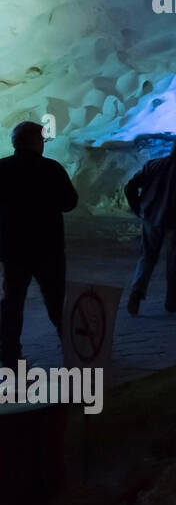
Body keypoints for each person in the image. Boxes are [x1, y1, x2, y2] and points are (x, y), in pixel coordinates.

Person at [0, 122, 78, 370]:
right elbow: (70, 202)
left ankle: (10, 356)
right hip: (48, 248)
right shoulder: (51, 169)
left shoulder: (2, 168)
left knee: (13, 303)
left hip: (13, 249)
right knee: (57, 302)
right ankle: (72, 349)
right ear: (36, 142)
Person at [124, 138, 176, 315]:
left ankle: (136, 293)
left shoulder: (153, 165)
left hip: (151, 219)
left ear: (173, 147)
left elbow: (130, 187)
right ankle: (173, 301)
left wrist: (139, 209)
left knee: (146, 257)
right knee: (174, 262)